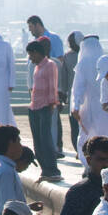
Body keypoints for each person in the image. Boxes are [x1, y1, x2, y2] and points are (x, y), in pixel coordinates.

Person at [26, 15, 65, 155]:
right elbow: (32, 84)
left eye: (31, 26)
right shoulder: (35, 64)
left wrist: (56, 99)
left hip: (50, 101)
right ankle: (48, 151)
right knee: (44, 129)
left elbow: (57, 82)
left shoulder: (53, 63)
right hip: (41, 101)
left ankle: (53, 150)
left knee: (51, 126)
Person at [26, 40, 61, 181]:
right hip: (34, 106)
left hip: (45, 107)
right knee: (37, 141)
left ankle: (52, 169)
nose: (30, 58)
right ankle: (44, 169)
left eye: (31, 55)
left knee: (46, 140)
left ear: (37, 52)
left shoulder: (50, 65)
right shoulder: (37, 67)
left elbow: (53, 86)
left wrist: (53, 104)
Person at [70, 35, 106, 166]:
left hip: (89, 108)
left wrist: (76, 106)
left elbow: (78, 88)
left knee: (87, 140)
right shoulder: (106, 61)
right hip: (107, 110)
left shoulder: (83, 63)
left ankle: (89, 166)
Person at [59, 31, 83, 156]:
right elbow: (63, 77)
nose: (71, 44)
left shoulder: (86, 55)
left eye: (73, 42)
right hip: (73, 97)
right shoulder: (68, 57)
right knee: (74, 126)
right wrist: (63, 93)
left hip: (87, 98)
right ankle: (78, 150)